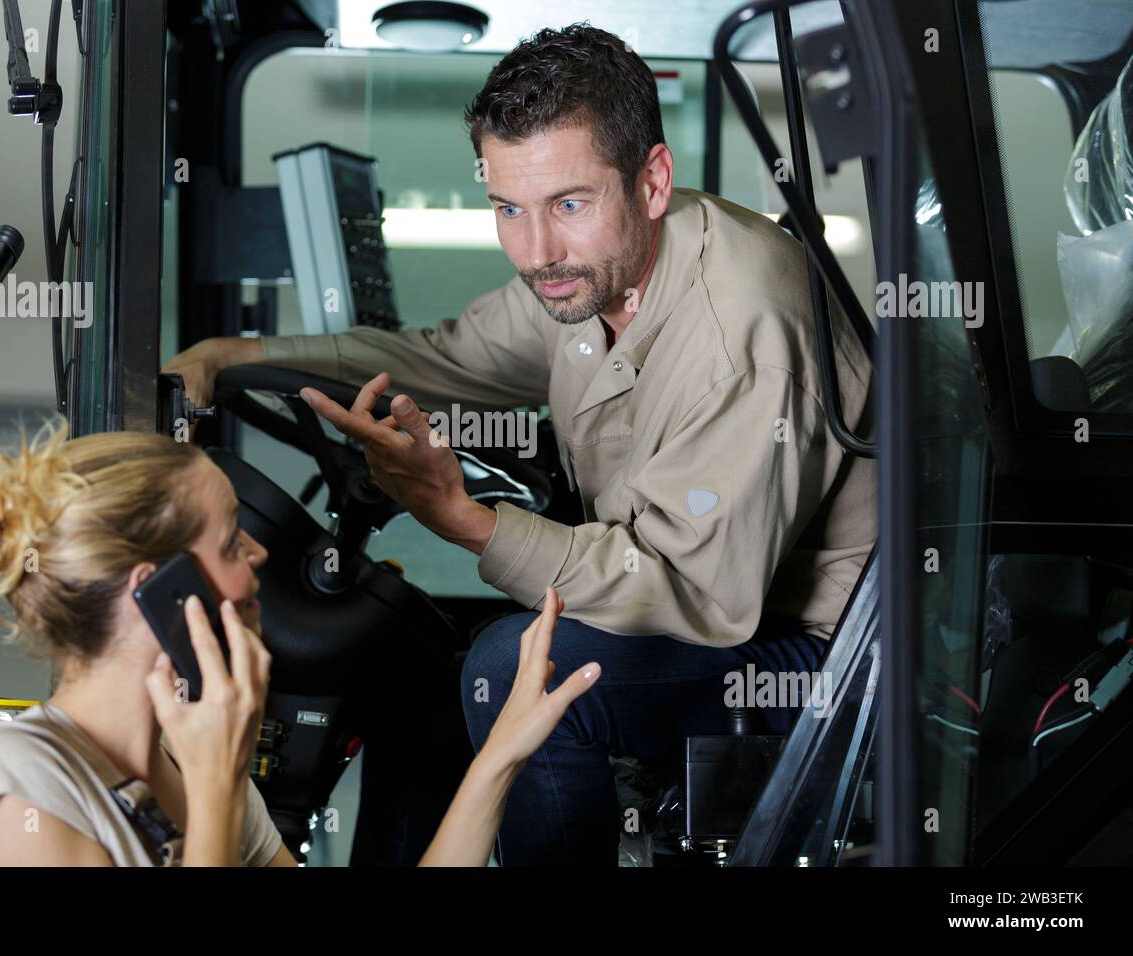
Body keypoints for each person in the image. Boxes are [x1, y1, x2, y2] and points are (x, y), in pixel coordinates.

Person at [165, 23, 875, 864]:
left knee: (509, 670)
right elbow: (449, 358)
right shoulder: (590, 273)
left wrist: (465, 521)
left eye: (569, 204)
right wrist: (245, 357)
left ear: (651, 181)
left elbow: (698, 597)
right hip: (716, 605)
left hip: (822, 659)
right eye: (509, 209)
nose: (537, 253)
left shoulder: (740, 329)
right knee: (421, 661)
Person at [0, 420, 598, 866]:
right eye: (228, 542)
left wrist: (501, 752)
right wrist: (218, 786)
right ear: (155, 590)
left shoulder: (188, 767)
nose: (258, 553)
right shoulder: (20, 784)